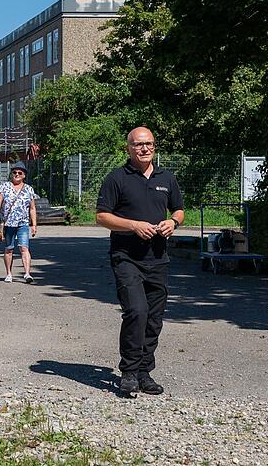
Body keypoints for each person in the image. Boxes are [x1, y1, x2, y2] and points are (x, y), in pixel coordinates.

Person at [96, 127, 184, 396]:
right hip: (126, 257)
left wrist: (173, 222)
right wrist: (134, 225)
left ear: (154, 146)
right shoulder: (117, 178)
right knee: (136, 310)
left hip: (157, 257)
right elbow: (101, 216)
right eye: (138, 145)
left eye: (149, 144)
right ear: (129, 148)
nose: (144, 149)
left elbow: (179, 209)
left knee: (154, 318)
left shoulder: (166, 178)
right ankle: (130, 372)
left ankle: (145, 372)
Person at [0, 161, 37, 283]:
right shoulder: (5, 187)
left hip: (23, 223)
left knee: (24, 248)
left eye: (19, 173)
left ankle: (27, 274)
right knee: (9, 249)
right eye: (14, 172)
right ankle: (9, 274)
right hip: (8, 224)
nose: (16, 174)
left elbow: (32, 208)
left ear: (24, 175)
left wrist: (34, 224)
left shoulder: (29, 189)